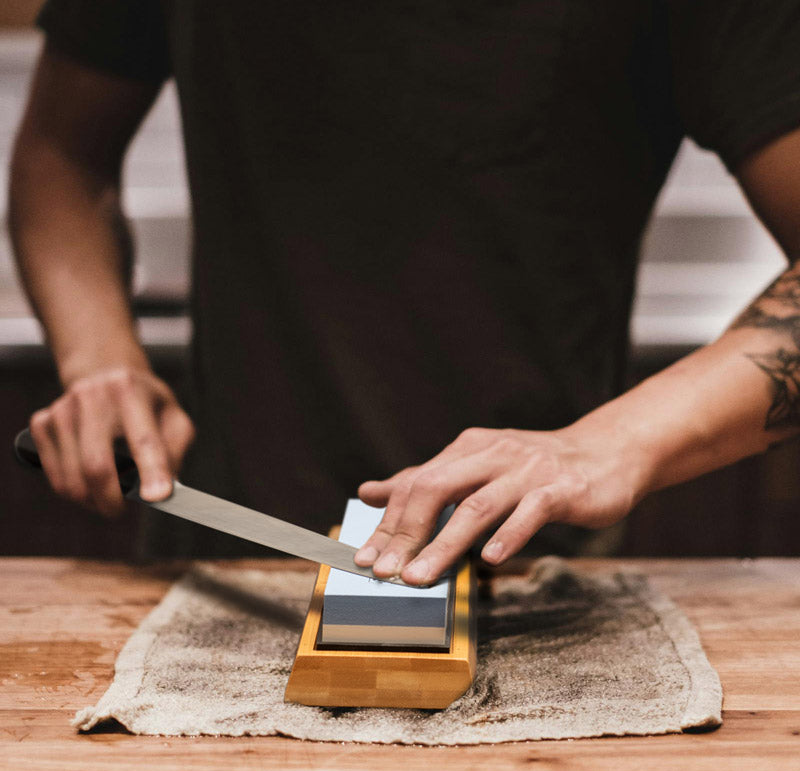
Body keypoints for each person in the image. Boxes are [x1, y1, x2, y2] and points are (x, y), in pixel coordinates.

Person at [10, 1, 800, 584]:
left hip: (527, 576)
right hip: (218, 550)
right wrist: (99, 362)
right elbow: (60, 157)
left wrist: (613, 443)